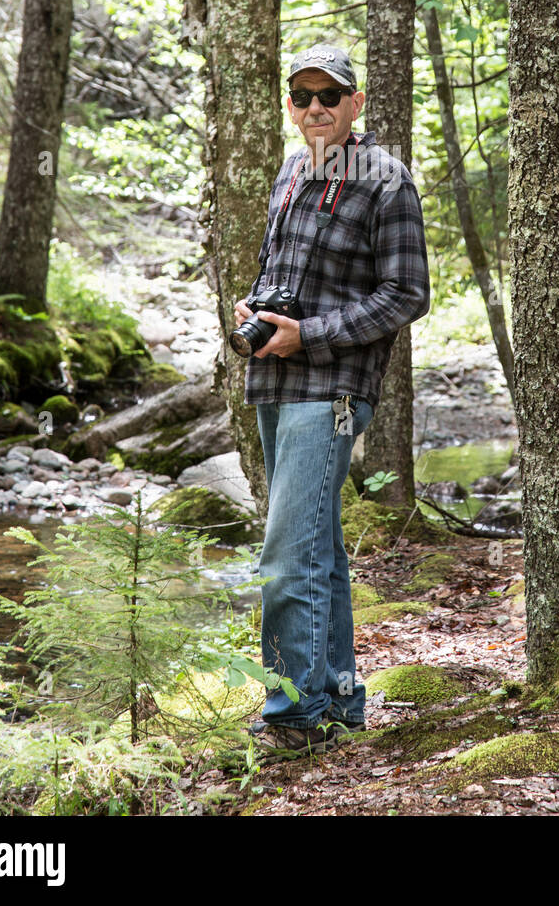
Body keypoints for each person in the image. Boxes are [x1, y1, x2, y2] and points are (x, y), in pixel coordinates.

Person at [233, 43, 430, 751]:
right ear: (291, 106)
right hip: (274, 383)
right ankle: (340, 703)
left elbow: (407, 295)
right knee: (318, 553)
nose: (315, 108)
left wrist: (307, 335)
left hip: (334, 388)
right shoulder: (290, 171)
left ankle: (291, 718)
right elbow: (284, 273)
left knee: (285, 561)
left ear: (356, 104)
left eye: (329, 96)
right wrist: (256, 314)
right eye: (303, 97)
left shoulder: (386, 180)